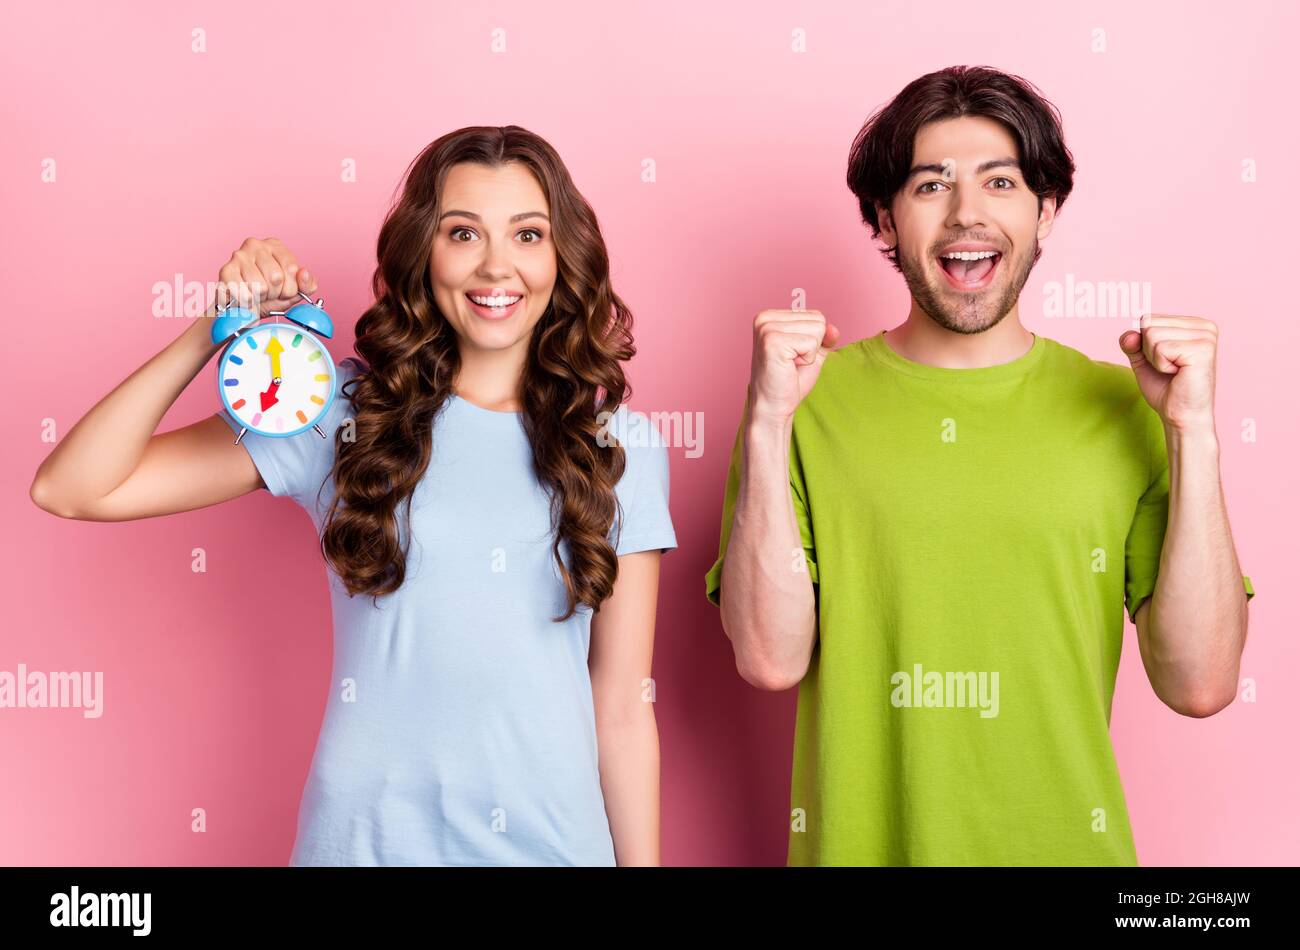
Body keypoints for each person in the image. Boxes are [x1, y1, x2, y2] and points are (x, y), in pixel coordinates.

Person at [31, 126, 676, 866]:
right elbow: (74, 486)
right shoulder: (340, 413)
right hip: (363, 847)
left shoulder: (619, 447)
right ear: (422, 253)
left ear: (561, 257)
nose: (497, 265)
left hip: (553, 849)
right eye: (462, 232)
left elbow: (624, 709)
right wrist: (216, 328)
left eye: (527, 234)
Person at [705, 65, 1255, 866]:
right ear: (886, 222)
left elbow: (1200, 684)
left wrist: (1195, 433)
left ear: (1045, 213)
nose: (968, 213)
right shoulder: (802, 404)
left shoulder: (1130, 406)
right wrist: (765, 421)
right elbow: (768, 658)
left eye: (1001, 181)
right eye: (932, 186)